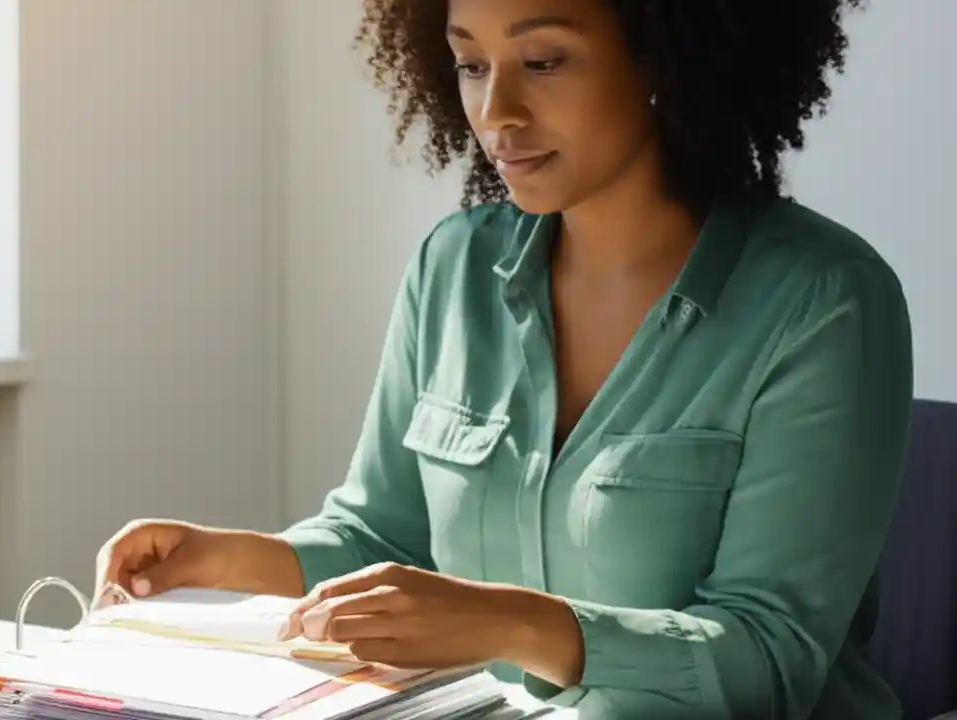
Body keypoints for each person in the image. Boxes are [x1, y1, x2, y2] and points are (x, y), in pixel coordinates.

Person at [96, 0, 913, 716]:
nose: (496, 112)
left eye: (544, 61)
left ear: (665, 56)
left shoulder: (823, 301)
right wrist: (225, 558)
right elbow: (383, 535)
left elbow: (772, 661)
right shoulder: (453, 268)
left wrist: (514, 624)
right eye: (471, 64)